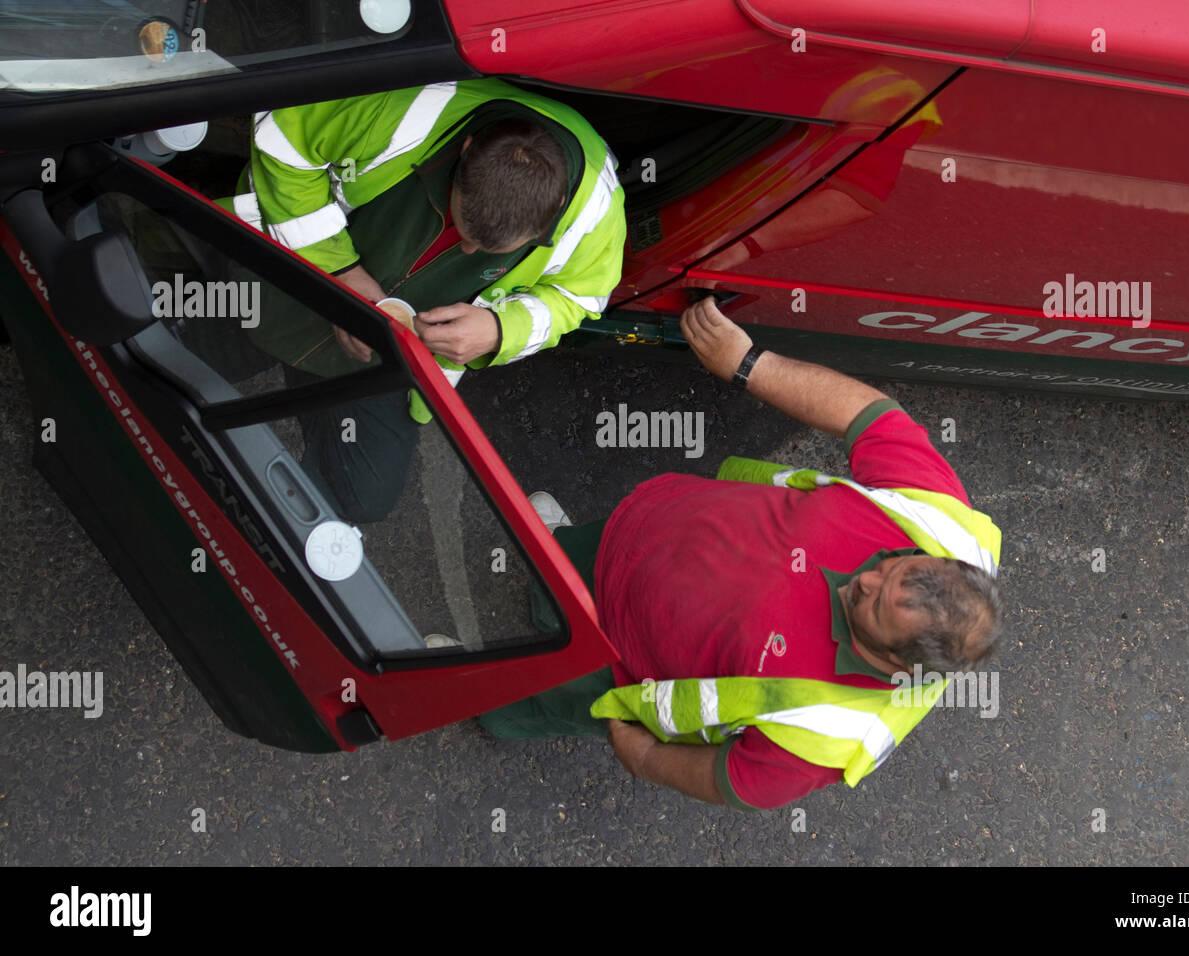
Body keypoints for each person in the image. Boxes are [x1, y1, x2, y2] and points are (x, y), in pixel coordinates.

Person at [481, 297, 1003, 810]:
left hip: (616, 665)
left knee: (538, 694)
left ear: (897, 665)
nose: (865, 578)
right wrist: (750, 364)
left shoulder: (833, 733)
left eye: (873, 605)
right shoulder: (943, 524)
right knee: (557, 564)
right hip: (635, 534)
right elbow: (872, 416)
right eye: (893, 566)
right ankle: (545, 579)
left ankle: (472, 693)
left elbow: (735, 782)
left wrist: (644, 759)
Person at [223, 78, 626, 521]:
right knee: (168, 361)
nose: (466, 252)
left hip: (388, 366)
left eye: (490, 251)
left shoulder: (596, 212)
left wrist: (498, 331)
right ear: (466, 150)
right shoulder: (405, 106)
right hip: (281, 285)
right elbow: (282, 139)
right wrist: (338, 270)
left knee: (363, 497)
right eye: (462, 228)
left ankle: (248, 519)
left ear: (560, 205)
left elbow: (581, 298)